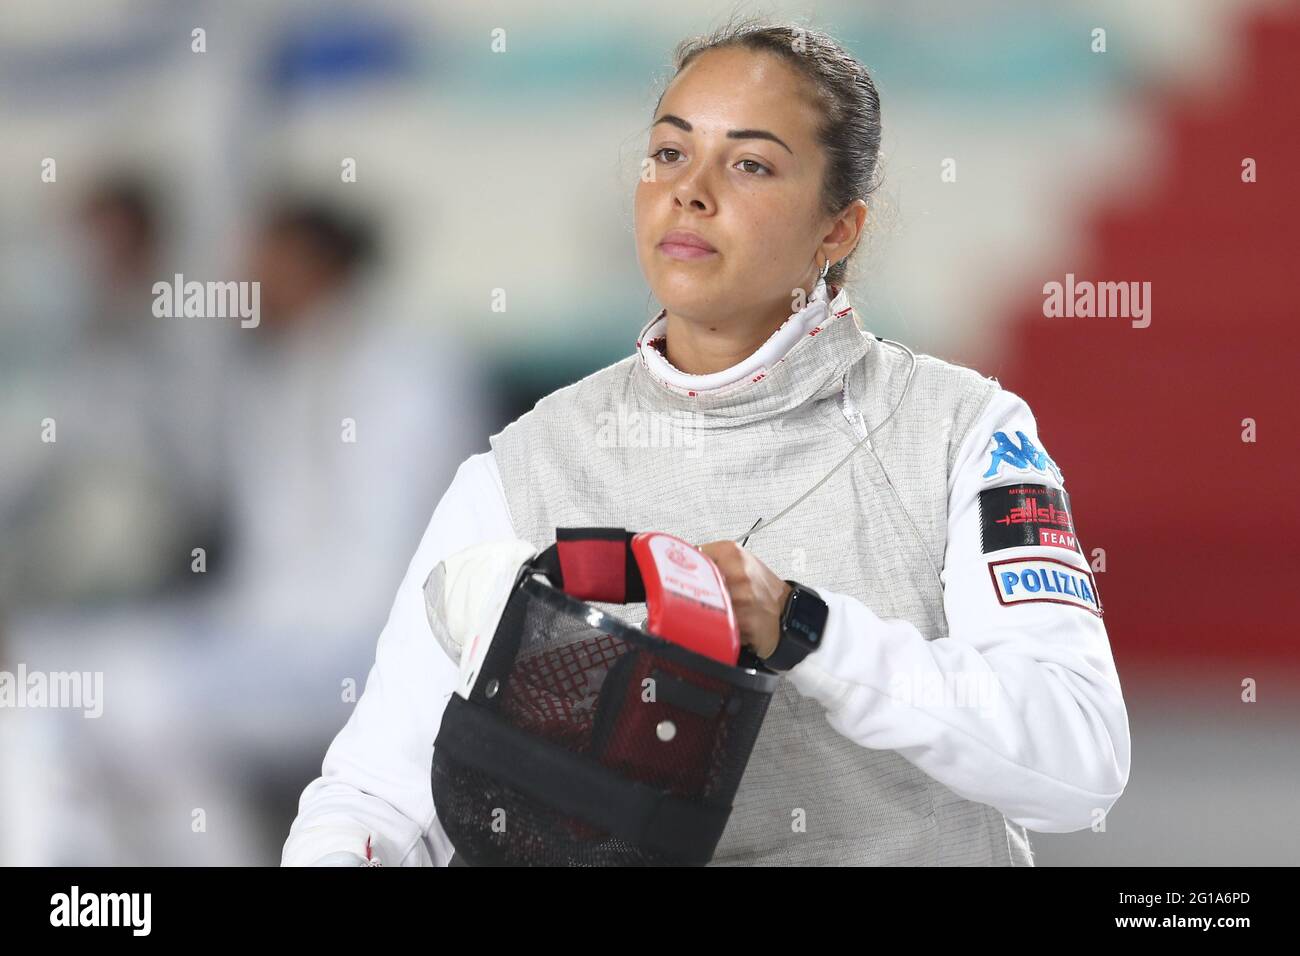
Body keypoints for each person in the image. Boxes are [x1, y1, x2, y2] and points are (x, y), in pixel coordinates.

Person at [282, 18, 1130, 867]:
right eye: (668, 154)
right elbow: (373, 793)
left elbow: (1080, 756)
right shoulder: (525, 469)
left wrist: (808, 630)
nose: (691, 191)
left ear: (838, 231)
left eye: (751, 164)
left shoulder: (961, 432)